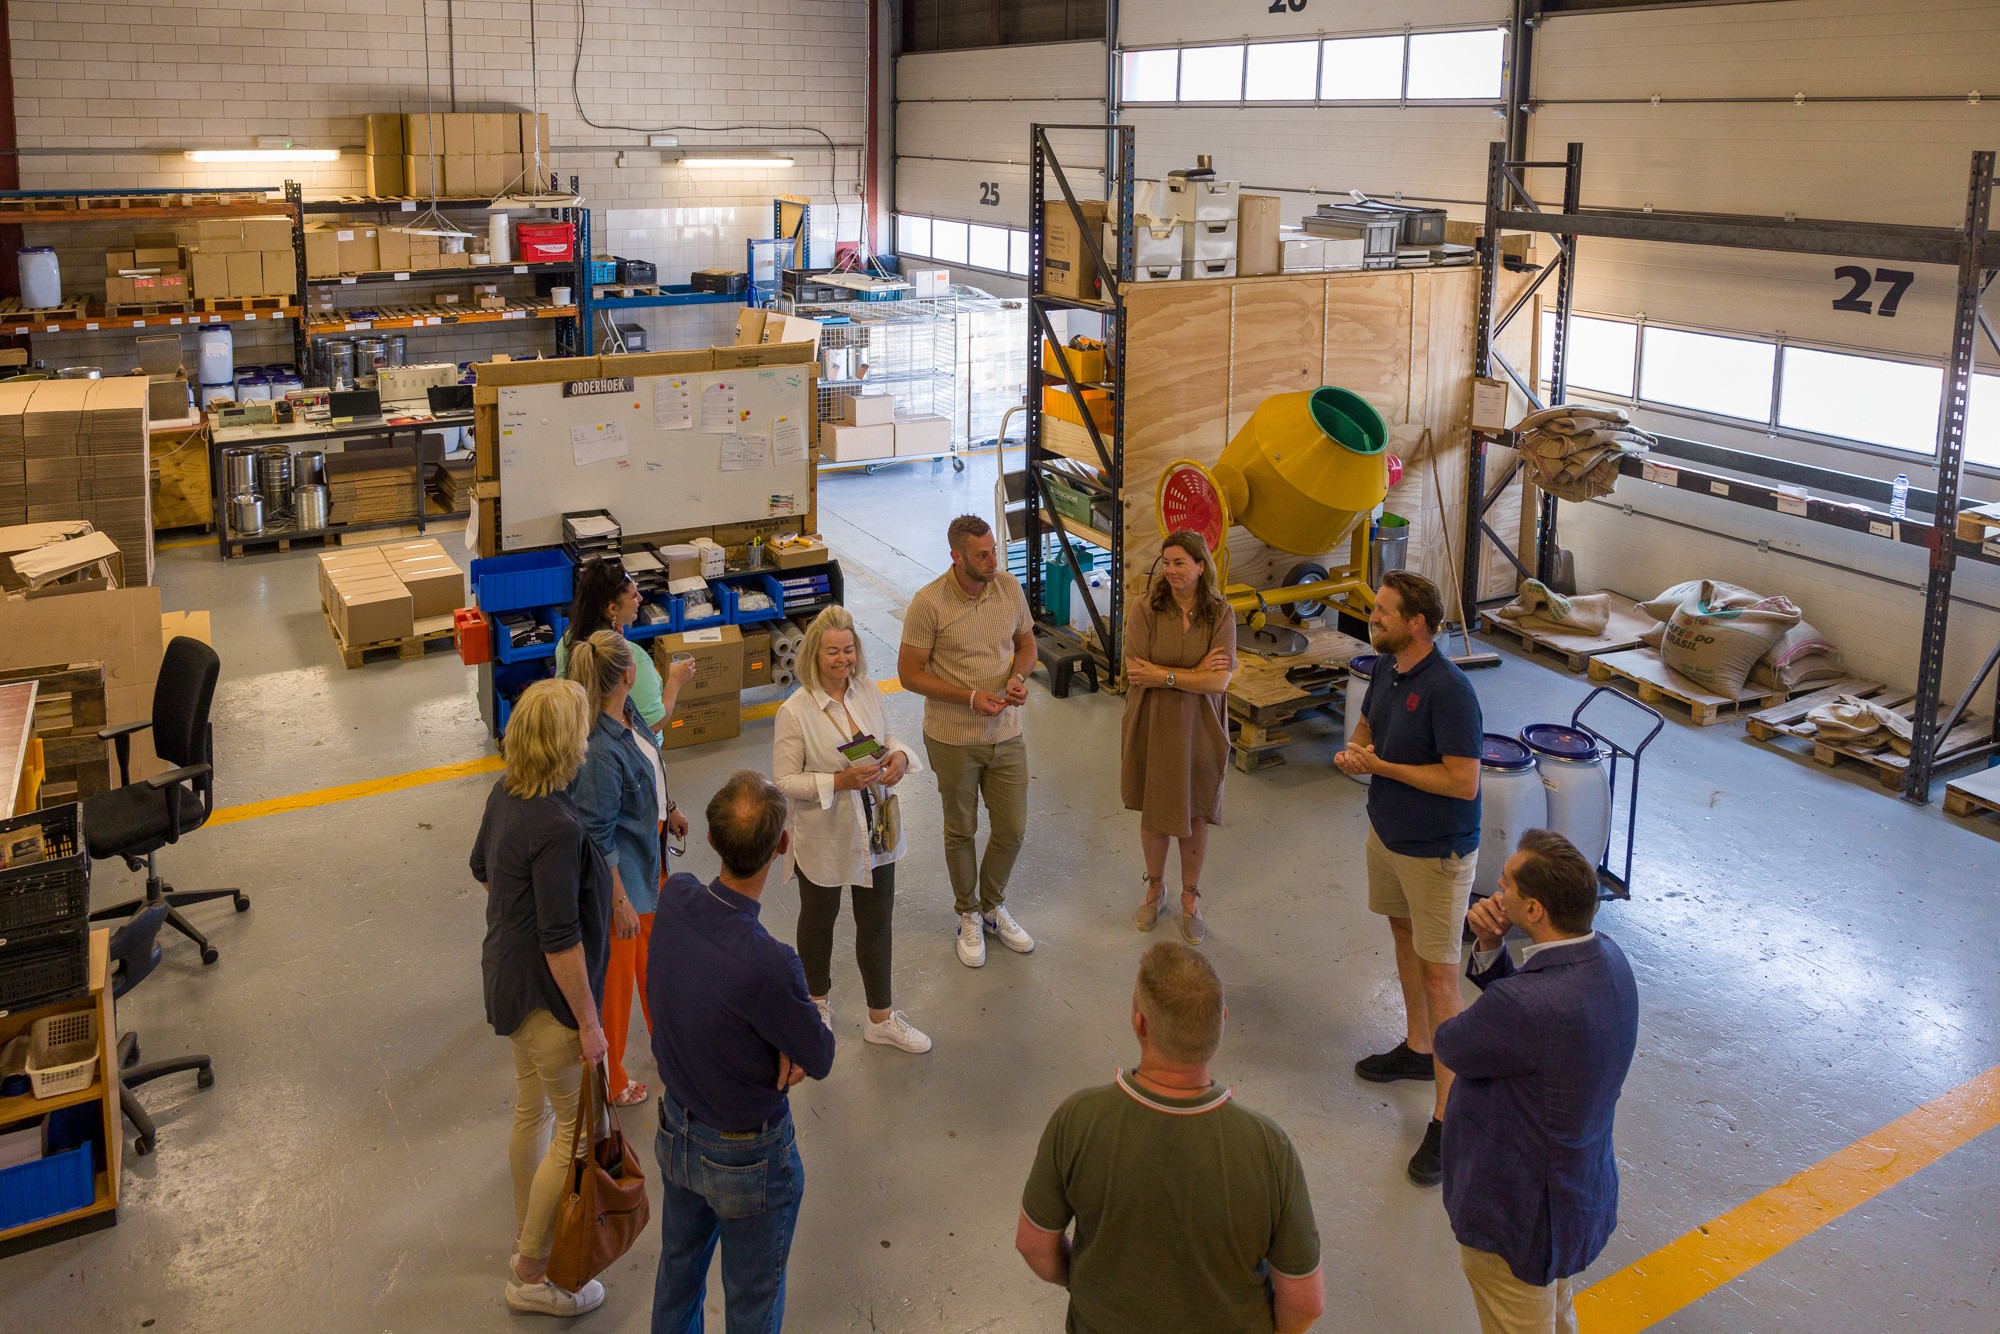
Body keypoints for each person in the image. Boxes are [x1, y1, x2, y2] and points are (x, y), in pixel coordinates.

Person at [1016, 941, 1324, 1334]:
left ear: (1140, 1023)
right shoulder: (1269, 1149)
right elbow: (1306, 1302)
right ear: (1222, 1022)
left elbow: (1033, 1244)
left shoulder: (1077, 1120)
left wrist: (1082, 1282)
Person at [647, 771, 836, 1333]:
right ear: (783, 845)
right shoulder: (770, 963)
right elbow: (819, 1057)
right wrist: (790, 1039)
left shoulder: (676, 896)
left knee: (677, 1282)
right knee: (752, 1305)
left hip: (677, 1132)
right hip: (747, 1161)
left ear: (710, 839)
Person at [1436, 830, 1639, 1334]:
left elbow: (1452, 1044)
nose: (1494, 894)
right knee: (1556, 1314)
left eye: (1504, 886)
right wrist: (1490, 946)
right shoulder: (1611, 961)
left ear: (1534, 912)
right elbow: (1536, 1028)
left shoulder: (1525, 1006)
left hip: (1518, 1219)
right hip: (1575, 1197)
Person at [469, 678, 613, 1318]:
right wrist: (589, 1022)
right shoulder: (555, 823)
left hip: (507, 983)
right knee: (578, 1138)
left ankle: (530, 1233)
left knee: (532, 1114)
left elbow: (482, 868)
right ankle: (533, 1272)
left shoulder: (509, 793)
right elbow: (561, 941)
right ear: (565, 742)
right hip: (550, 1002)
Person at [1335, 568, 1483, 1187]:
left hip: (1436, 851)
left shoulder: (1450, 692)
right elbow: (1368, 727)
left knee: (1442, 974)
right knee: (1402, 938)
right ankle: (1420, 1049)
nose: (1373, 620)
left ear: (1416, 624)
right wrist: (1356, 752)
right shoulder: (1387, 671)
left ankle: (1452, 1124)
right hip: (1388, 833)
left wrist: (1385, 769)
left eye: (1382, 614)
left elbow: (1463, 782)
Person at [773, 606, 930, 1054]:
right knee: (819, 920)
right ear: (813, 656)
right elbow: (784, 781)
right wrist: (837, 782)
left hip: (876, 827)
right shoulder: (795, 711)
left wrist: (898, 757)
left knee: (877, 921)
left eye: (848, 650)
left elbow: (882, 739)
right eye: (832, 653)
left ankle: (880, 1017)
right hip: (824, 833)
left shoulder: (863, 690)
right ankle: (816, 1003)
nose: (843, 660)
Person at [897, 513, 1039, 969]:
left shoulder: (1008, 588)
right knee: (961, 829)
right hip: (952, 736)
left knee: (1012, 828)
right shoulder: (929, 603)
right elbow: (909, 674)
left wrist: (1017, 678)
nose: (993, 560)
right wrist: (970, 697)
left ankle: (993, 906)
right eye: (982, 554)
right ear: (956, 557)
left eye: (994, 550)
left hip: (1006, 732)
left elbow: (1026, 645)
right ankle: (968, 913)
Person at [566, 629, 687, 1108]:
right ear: (627, 676)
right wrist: (618, 902)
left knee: (656, 962)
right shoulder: (598, 749)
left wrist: (669, 808)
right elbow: (597, 837)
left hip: (649, 861)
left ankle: (667, 1042)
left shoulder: (627, 714)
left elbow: (648, 761)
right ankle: (611, 1079)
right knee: (616, 983)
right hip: (622, 882)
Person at [1122, 530, 1237, 944]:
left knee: (1194, 815)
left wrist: (1165, 674)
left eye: (1180, 563)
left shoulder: (1220, 614)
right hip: (1152, 723)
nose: (1170, 571)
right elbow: (1137, 672)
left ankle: (1190, 897)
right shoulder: (1145, 608)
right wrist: (1194, 672)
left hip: (1201, 728)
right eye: (1166, 562)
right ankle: (1155, 887)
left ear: (1200, 566)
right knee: (1156, 811)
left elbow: (1220, 681)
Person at [557, 557, 695, 736]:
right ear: (613, 609)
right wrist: (676, 681)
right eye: (633, 595)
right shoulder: (630, 657)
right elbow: (652, 725)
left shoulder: (567, 641)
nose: (640, 598)